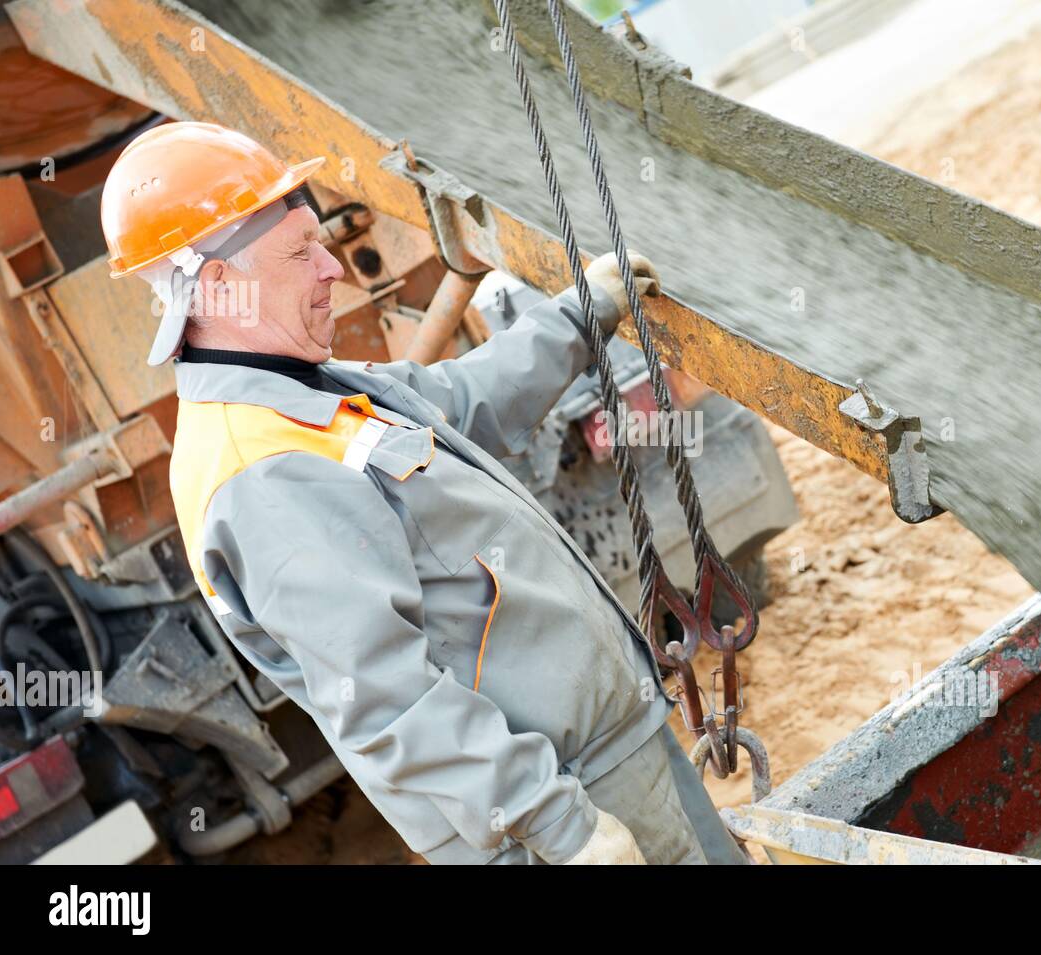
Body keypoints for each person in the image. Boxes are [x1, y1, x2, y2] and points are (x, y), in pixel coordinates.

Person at [100, 121, 747, 865]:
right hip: (556, 806)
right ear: (220, 285)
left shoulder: (301, 394)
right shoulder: (262, 471)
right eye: (300, 249)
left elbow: (466, 400)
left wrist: (583, 313)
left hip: (606, 757)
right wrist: (562, 828)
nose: (330, 268)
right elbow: (389, 698)